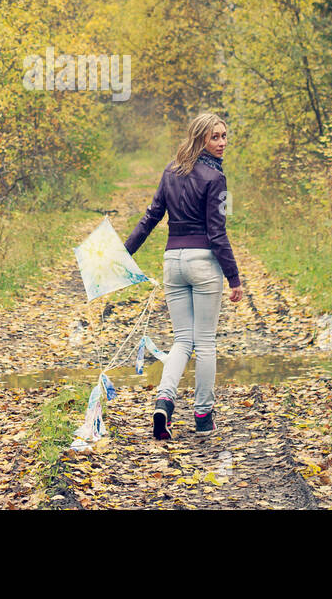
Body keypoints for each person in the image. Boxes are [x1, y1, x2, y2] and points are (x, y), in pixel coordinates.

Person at [124, 112, 242, 438]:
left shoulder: (171, 171)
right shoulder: (215, 178)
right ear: (200, 138)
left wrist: (123, 254)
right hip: (203, 263)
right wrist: (234, 277)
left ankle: (165, 399)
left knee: (181, 340)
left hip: (172, 262)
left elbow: (149, 219)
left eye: (224, 135)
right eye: (215, 137)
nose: (222, 142)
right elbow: (218, 233)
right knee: (203, 342)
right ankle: (203, 415)